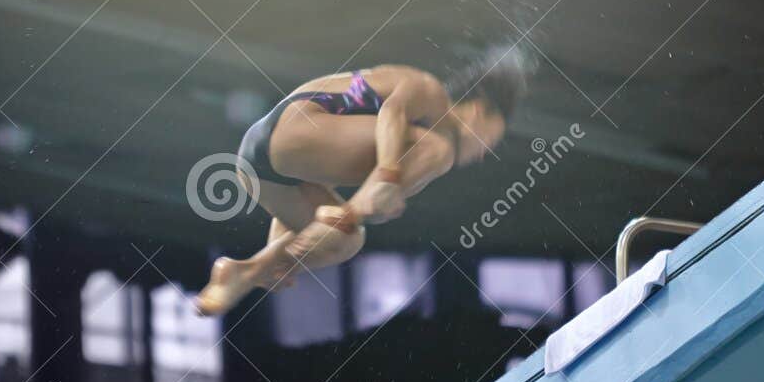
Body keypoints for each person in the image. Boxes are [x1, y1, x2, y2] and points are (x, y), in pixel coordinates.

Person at [195, 52, 529, 316]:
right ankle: (344, 216)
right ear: (478, 111)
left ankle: (244, 271)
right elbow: (392, 113)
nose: (484, 154)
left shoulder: (416, 143)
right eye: (491, 141)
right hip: (291, 131)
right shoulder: (430, 92)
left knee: (348, 242)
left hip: (261, 169)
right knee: (437, 151)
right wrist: (386, 175)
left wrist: (288, 254)